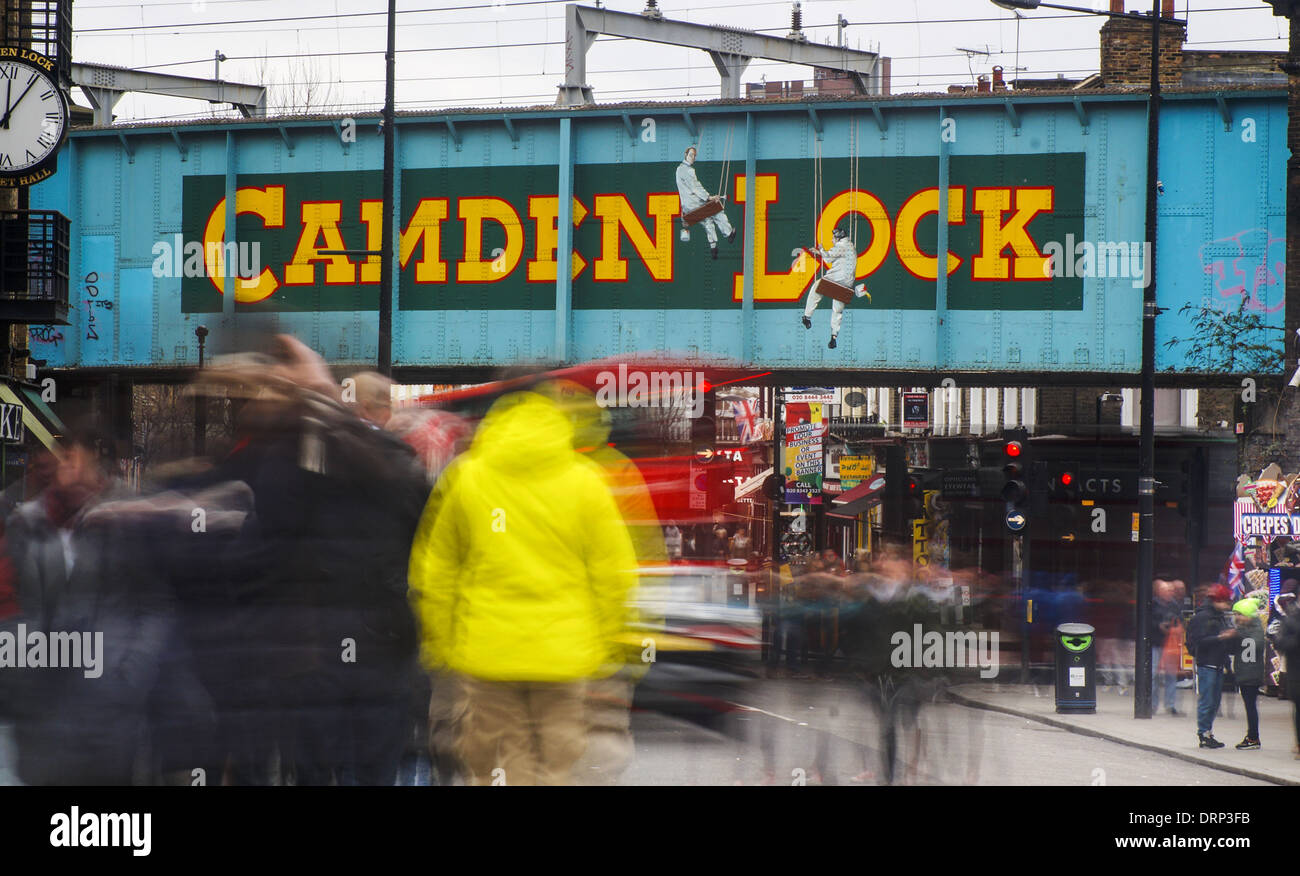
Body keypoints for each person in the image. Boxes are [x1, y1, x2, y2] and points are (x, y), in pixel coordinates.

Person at [407, 391, 638, 786]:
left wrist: (442, 642)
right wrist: (608, 641)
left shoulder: (468, 476)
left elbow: (436, 569)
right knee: (558, 754)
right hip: (565, 652)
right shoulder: (584, 481)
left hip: (487, 649)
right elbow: (614, 572)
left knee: (500, 750)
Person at [802, 223, 869, 349]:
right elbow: (837, 256)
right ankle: (834, 337)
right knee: (837, 310)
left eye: (833, 238)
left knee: (816, 289)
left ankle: (807, 316)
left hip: (836, 279)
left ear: (838, 238)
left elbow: (828, 259)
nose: (832, 240)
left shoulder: (841, 245)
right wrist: (819, 252)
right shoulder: (850, 246)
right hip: (846, 284)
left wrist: (821, 249)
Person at [1185, 583, 1235, 749]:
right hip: (1207, 663)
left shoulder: (1217, 616)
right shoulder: (1204, 617)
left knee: (1214, 700)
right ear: (1217, 600)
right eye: (1225, 602)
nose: (1227, 606)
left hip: (1216, 662)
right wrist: (1221, 637)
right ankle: (1204, 733)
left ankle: (1207, 732)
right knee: (1208, 700)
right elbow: (1199, 642)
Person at [676, 145, 735, 259]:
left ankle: (713, 247)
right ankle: (728, 233)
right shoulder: (687, 170)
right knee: (717, 210)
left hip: (688, 208)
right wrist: (710, 197)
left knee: (707, 221)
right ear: (685, 155)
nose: (692, 157)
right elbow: (695, 187)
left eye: (694, 156)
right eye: (691, 155)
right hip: (694, 204)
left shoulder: (680, 170)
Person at [1229, 597, 1265, 750]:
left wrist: (1237, 636)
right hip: (1244, 673)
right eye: (1235, 614)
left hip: (1250, 675)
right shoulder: (1244, 630)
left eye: (1240, 614)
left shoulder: (1254, 630)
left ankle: (1253, 737)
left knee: (1250, 706)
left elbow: (1254, 645)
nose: (1236, 617)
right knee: (1249, 705)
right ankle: (1252, 736)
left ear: (1249, 616)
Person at [1151, 578, 1182, 715]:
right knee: (1153, 675)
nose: (1169, 592)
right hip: (1156, 642)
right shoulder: (1152, 604)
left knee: (1171, 675)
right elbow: (1147, 621)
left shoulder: (1175, 605)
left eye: (1170, 590)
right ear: (1158, 591)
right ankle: (1152, 704)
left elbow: (1180, 621)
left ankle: (1170, 704)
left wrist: (1174, 627)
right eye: (1165, 590)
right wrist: (1158, 626)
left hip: (1171, 644)